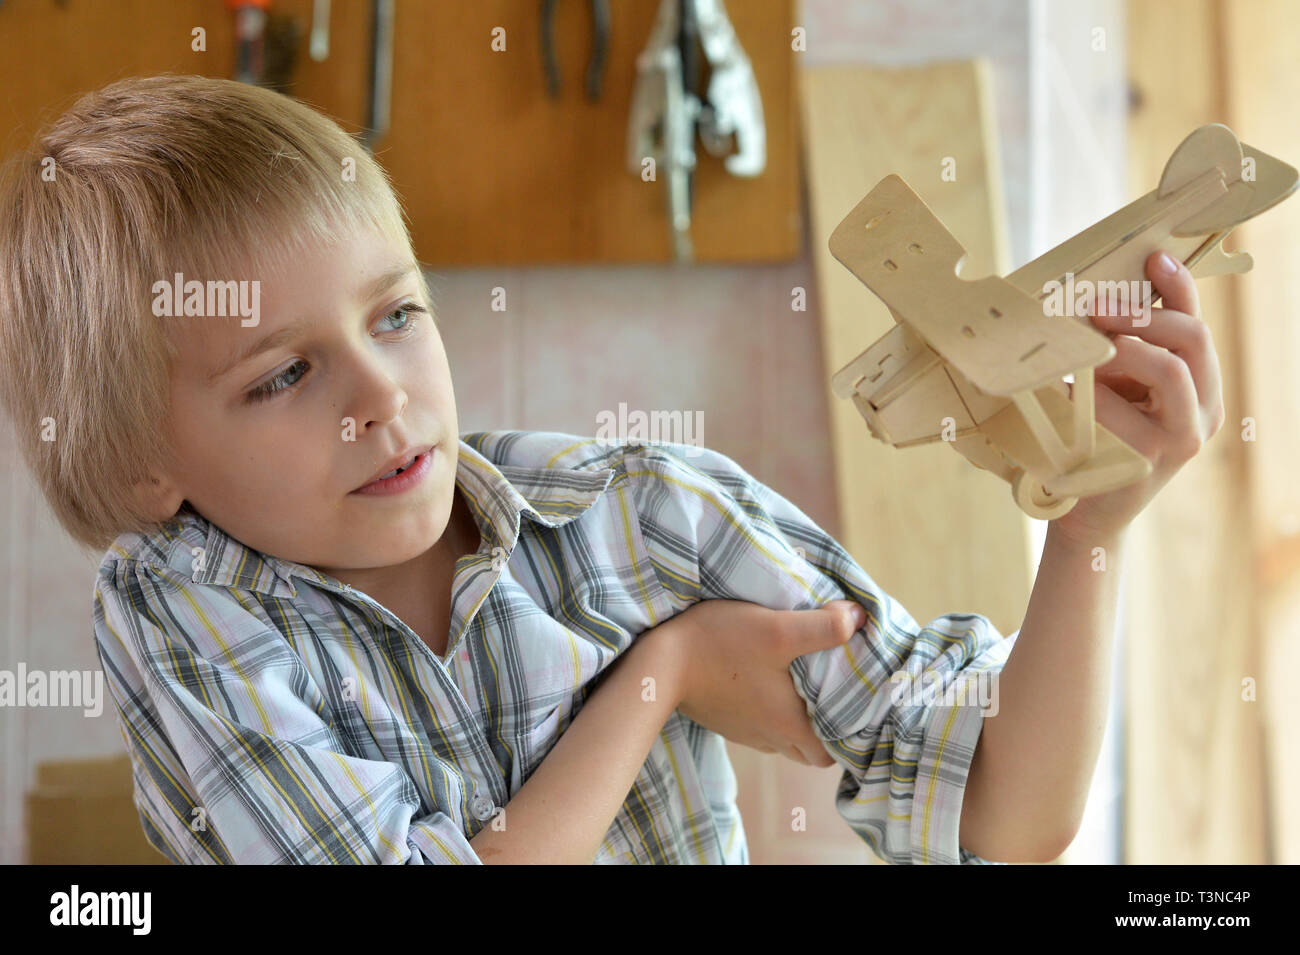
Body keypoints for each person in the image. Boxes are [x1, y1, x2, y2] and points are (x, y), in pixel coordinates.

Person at [0, 74, 1224, 864]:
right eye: (282, 376)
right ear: (142, 460)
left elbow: (1004, 814)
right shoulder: (178, 606)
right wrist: (661, 677)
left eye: (396, 317)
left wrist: (1091, 529)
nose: (381, 397)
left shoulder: (639, 514)